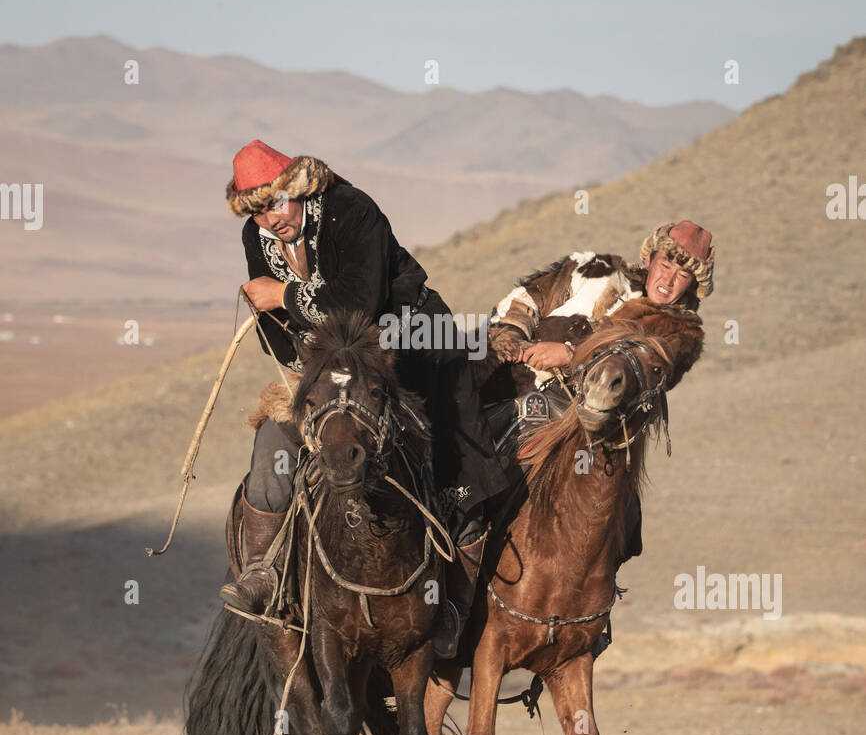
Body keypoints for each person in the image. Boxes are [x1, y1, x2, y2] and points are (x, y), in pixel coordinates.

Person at [218, 139, 508, 657]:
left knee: (456, 466)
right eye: (256, 211)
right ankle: (263, 571)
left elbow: (362, 302)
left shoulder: (354, 211)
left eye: (274, 204)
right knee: (275, 440)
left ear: (296, 188)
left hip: (415, 342)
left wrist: (284, 296)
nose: (268, 220)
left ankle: (455, 605)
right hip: (327, 365)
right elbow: (273, 329)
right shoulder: (255, 236)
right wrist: (305, 371)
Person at [488, 219, 715, 655]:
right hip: (514, 385)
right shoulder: (594, 270)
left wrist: (570, 355)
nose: (668, 280)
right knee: (466, 469)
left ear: (693, 286)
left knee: (620, 524)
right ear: (650, 258)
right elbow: (528, 299)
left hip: (592, 430)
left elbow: (644, 369)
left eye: (682, 274)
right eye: (666, 264)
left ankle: (586, 617)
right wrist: (513, 334)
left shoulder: (680, 332)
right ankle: (453, 592)